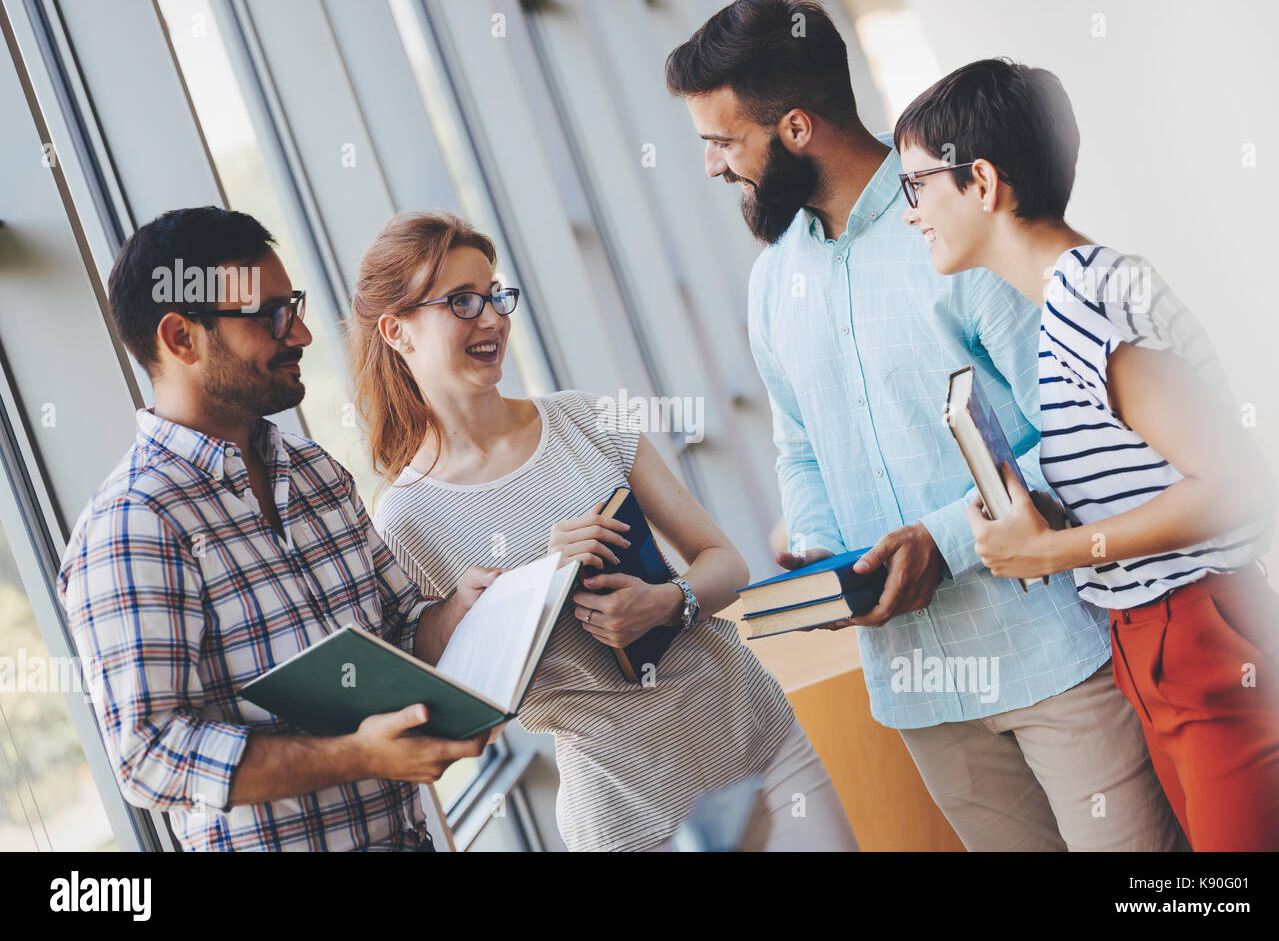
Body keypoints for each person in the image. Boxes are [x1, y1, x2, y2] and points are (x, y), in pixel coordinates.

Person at [666, 0, 1185, 850]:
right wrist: (823, 552)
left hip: (1057, 658)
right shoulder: (771, 283)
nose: (713, 166)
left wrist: (938, 544)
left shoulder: (962, 229)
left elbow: (1087, 430)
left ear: (796, 129)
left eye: (721, 142)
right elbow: (799, 443)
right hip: (916, 691)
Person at [352, 209, 857, 852]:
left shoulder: (585, 419)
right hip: (627, 814)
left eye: (495, 295)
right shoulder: (405, 520)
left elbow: (723, 561)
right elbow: (466, 705)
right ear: (397, 331)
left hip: (757, 745)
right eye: (461, 302)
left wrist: (671, 601)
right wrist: (536, 585)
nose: (491, 318)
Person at [894, 57, 1279, 850]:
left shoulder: (1093, 300)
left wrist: (1052, 551)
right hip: (1157, 647)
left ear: (981, 182)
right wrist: (1042, 517)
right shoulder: (1061, 310)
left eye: (916, 186)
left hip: (1204, 640)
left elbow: (1237, 484)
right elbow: (1155, 478)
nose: (910, 214)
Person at [57, 206, 496, 851]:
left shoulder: (314, 471)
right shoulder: (133, 526)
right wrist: (356, 756)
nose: (304, 335)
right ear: (183, 338)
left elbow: (403, 631)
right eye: (272, 316)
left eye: (292, 305)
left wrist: (472, 608)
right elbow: (149, 755)